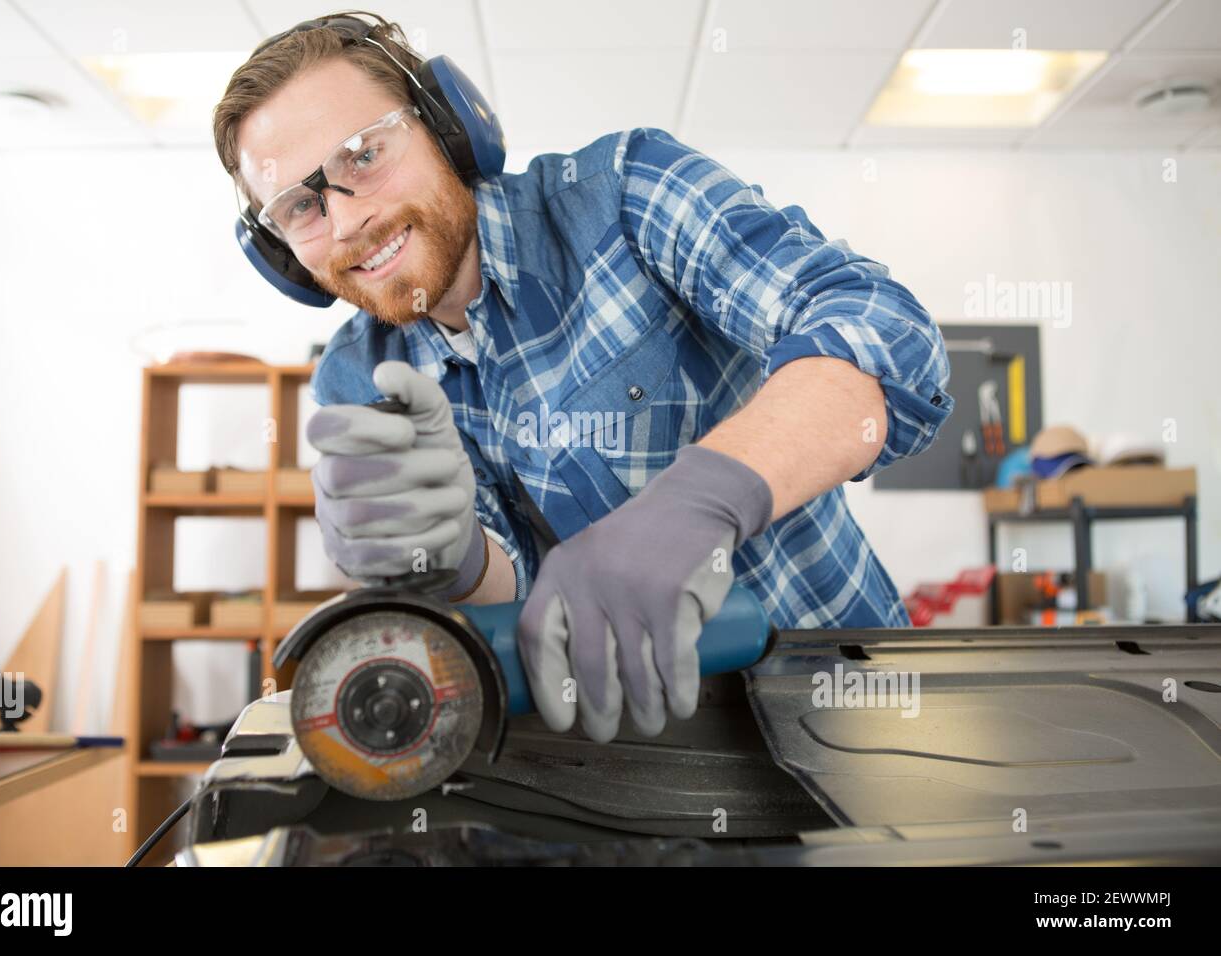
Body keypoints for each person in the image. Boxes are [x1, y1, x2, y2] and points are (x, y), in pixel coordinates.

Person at [213, 11, 954, 744]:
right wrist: (458, 560)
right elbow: (515, 597)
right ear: (280, 255)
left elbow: (879, 327)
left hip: (852, 708)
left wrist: (705, 498)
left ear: (445, 126)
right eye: (300, 207)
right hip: (608, 765)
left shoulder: (628, 194)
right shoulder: (355, 379)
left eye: (363, 155)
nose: (346, 223)